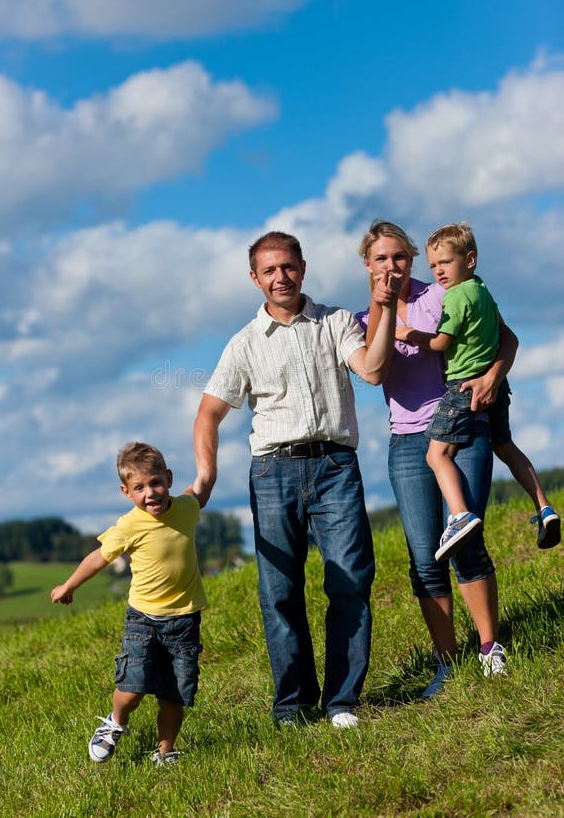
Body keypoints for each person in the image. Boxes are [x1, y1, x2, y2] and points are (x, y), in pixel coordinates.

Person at [188, 230, 398, 728]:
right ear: (255, 278)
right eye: (269, 271)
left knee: (349, 580)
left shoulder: (336, 321)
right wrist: (206, 475)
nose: (280, 277)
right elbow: (207, 414)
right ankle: (294, 705)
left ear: (303, 267)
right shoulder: (243, 344)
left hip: (334, 468)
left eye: (288, 267)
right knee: (279, 591)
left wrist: (384, 308)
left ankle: (342, 700)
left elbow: (370, 371)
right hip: (271, 471)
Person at [357, 220, 518, 696]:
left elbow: (505, 339)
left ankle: (491, 648)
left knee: (467, 541)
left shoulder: (446, 292)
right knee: (425, 558)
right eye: (381, 259)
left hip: (465, 426)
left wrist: (493, 377)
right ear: (368, 265)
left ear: (412, 259)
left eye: (400, 257)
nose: (392, 266)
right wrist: (384, 309)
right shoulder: (363, 319)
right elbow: (375, 369)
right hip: (407, 442)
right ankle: (447, 663)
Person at [396, 222, 560, 562]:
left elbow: (441, 342)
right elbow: (503, 333)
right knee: (505, 444)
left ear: (470, 259)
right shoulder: (482, 288)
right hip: (498, 387)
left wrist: (409, 333)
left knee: (436, 455)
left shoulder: (456, 296)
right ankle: (544, 507)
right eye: (434, 265)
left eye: (446, 262)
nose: (439, 271)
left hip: (463, 386)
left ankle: (459, 514)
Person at [51, 442, 207, 766]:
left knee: (174, 695)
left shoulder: (187, 509)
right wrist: (69, 584)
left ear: (169, 478)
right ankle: (116, 723)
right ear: (126, 492)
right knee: (133, 687)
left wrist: (209, 456)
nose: (150, 492)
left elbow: (202, 486)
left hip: (184, 621)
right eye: (139, 487)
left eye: (156, 482)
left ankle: (165, 753)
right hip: (143, 621)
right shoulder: (129, 525)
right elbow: (99, 558)